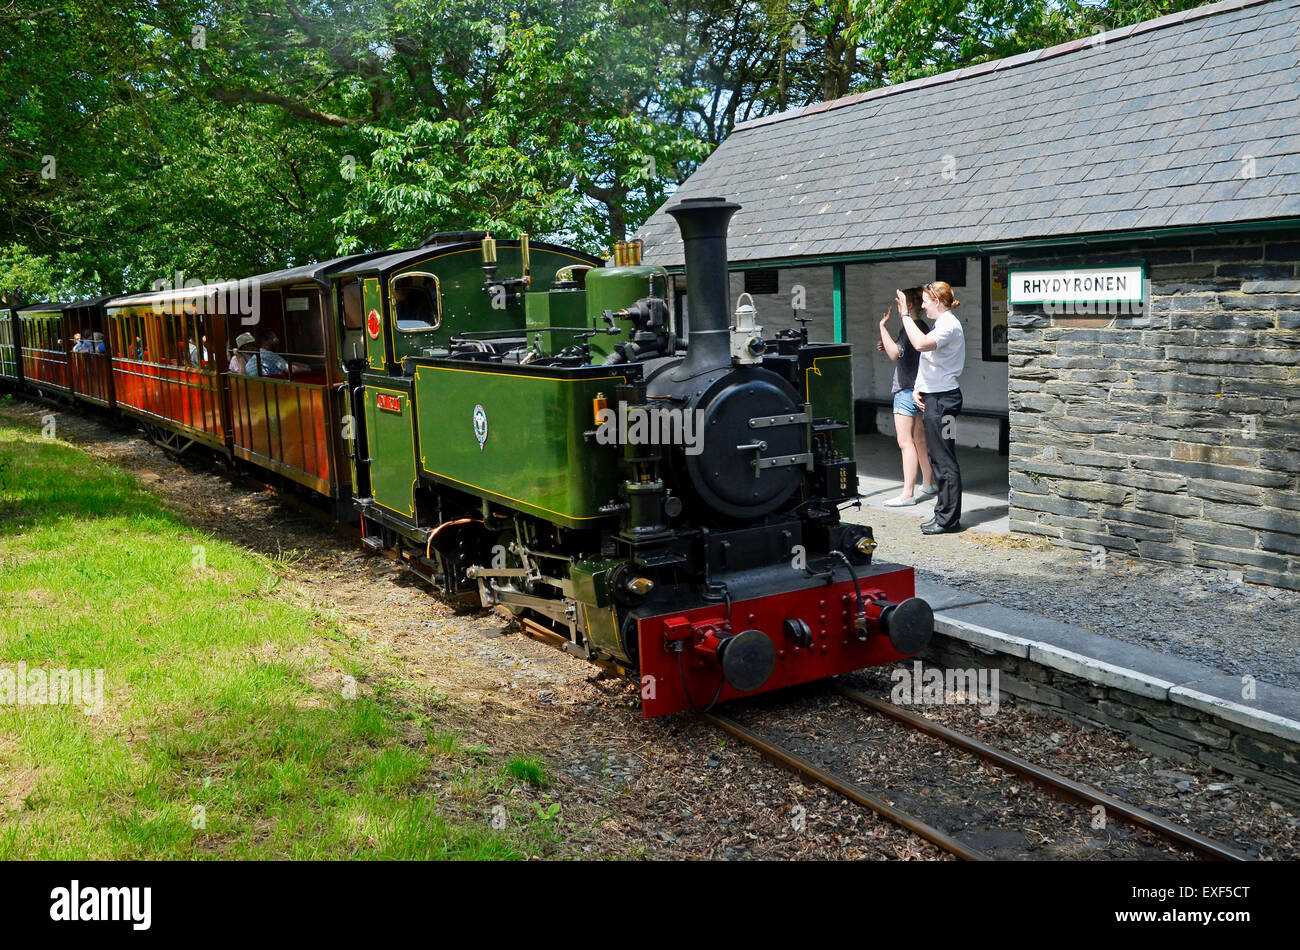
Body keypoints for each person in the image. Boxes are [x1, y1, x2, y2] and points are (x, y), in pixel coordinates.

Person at [897, 280, 966, 535]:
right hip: (935, 399)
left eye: (926, 301)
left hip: (944, 402)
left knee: (944, 459)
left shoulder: (948, 325)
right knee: (938, 458)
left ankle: (948, 520)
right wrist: (918, 387)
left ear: (937, 301)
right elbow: (930, 361)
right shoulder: (942, 324)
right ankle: (943, 514)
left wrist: (905, 314)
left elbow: (921, 345)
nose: (923, 305)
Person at [877, 286, 935, 507]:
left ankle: (907, 494)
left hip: (905, 391)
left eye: (900, 301)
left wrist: (882, 328)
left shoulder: (908, 326)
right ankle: (928, 483)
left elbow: (895, 354)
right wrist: (890, 345)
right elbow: (904, 352)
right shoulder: (921, 326)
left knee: (905, 442)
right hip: (920, 390)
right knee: (919, 439)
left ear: (908, 304)